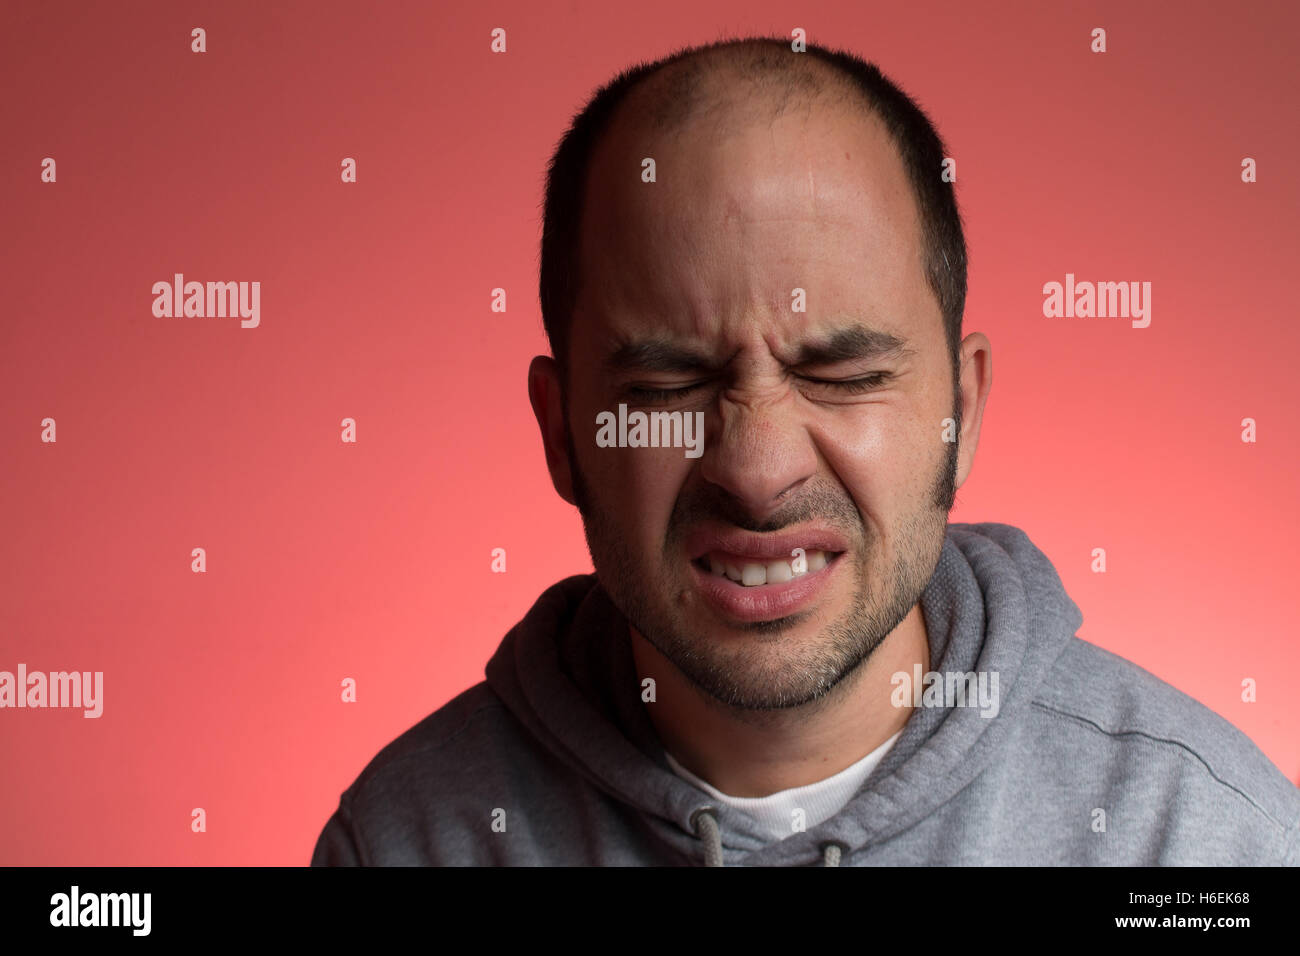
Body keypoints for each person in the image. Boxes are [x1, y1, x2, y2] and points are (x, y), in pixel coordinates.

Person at [311, 35, 1299, 866]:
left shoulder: (1196, 843)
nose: (757, 466)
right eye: (665, 385)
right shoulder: (409, 840)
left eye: (843, 374)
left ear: (961, 409)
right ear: (562, 430)